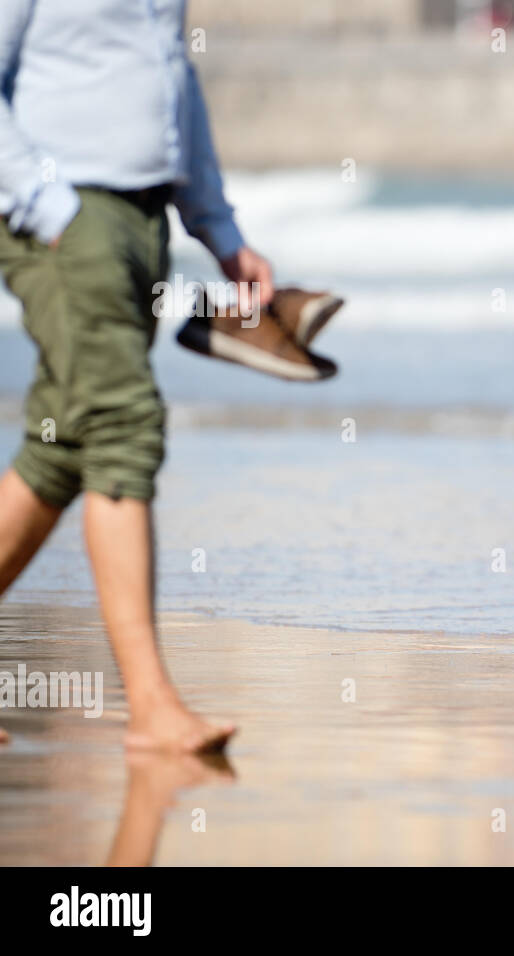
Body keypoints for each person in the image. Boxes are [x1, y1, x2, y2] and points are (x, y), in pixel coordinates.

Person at [0, 1, 312, 751]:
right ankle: (152, 708)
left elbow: (175, 79)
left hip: (144, 221)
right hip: (64, 219)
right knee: (123, 427)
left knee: (64, 447)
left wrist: (221, 233)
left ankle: (152, 707)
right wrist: (50, 207)